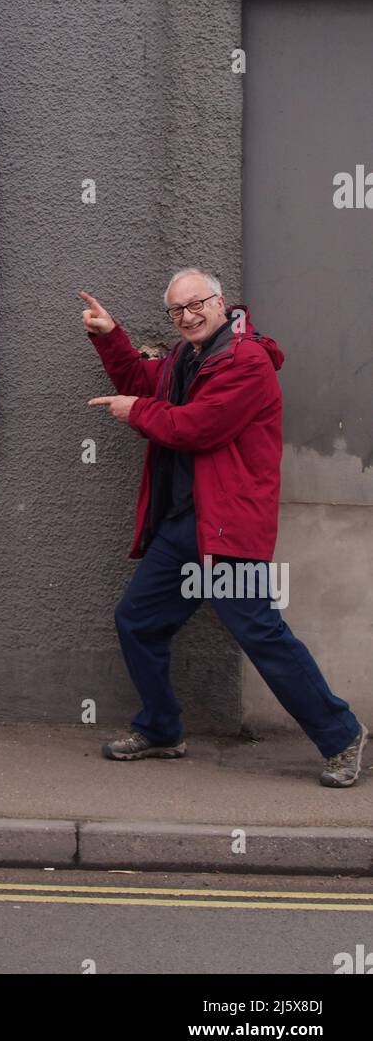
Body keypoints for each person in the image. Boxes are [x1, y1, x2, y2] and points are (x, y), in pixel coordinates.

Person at [81, 268, 367, 788]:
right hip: (186, 525)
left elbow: (197, 427)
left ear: (221, 303)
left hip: (228, 525)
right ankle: (163, 729)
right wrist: (112, 339)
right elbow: (145, 384)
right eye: (177, 311)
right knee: (138, 621)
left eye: (196, 305)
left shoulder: (245, 361)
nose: (187, 317)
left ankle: (342, 734)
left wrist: (136, 412)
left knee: (258, 630)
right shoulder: (188, 357)